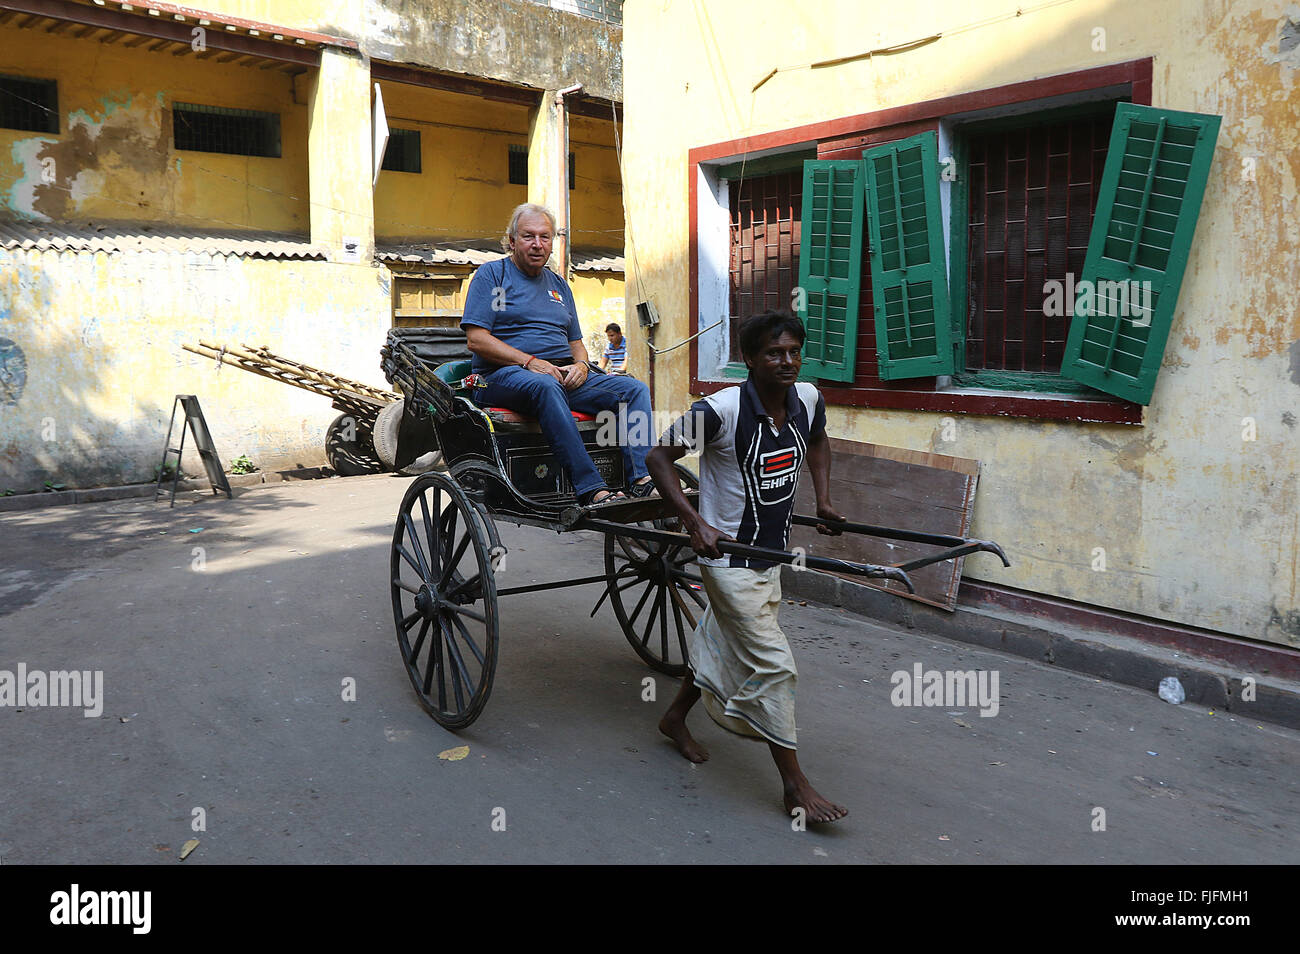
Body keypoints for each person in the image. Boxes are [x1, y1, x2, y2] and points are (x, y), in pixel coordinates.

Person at [644, 309, 849, 824]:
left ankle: (674, 717)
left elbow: (820, 441)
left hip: (770, 553)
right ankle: (795, 784)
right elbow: (658, 458)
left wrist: (823, 500)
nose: (787, 362)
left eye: (794, 352)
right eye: (774, 353)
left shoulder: (807, 399)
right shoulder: (719, 410)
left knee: (722, 639)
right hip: (728, 559)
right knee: (775, 665)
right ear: (750, 360)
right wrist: (695, 523)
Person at [460, 203, 657, 504]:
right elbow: (476, 339)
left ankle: (641, 478)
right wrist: (530, 362)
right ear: (512, 241)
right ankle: (591, 487)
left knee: (633, 390)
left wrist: (581, 365)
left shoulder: (559, 286)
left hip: (559, 374)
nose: (538, 244)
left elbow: (575, 341)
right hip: (500, 376)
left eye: (545, 237)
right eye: (528, 236)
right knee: (546, 385)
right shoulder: (493, 277)